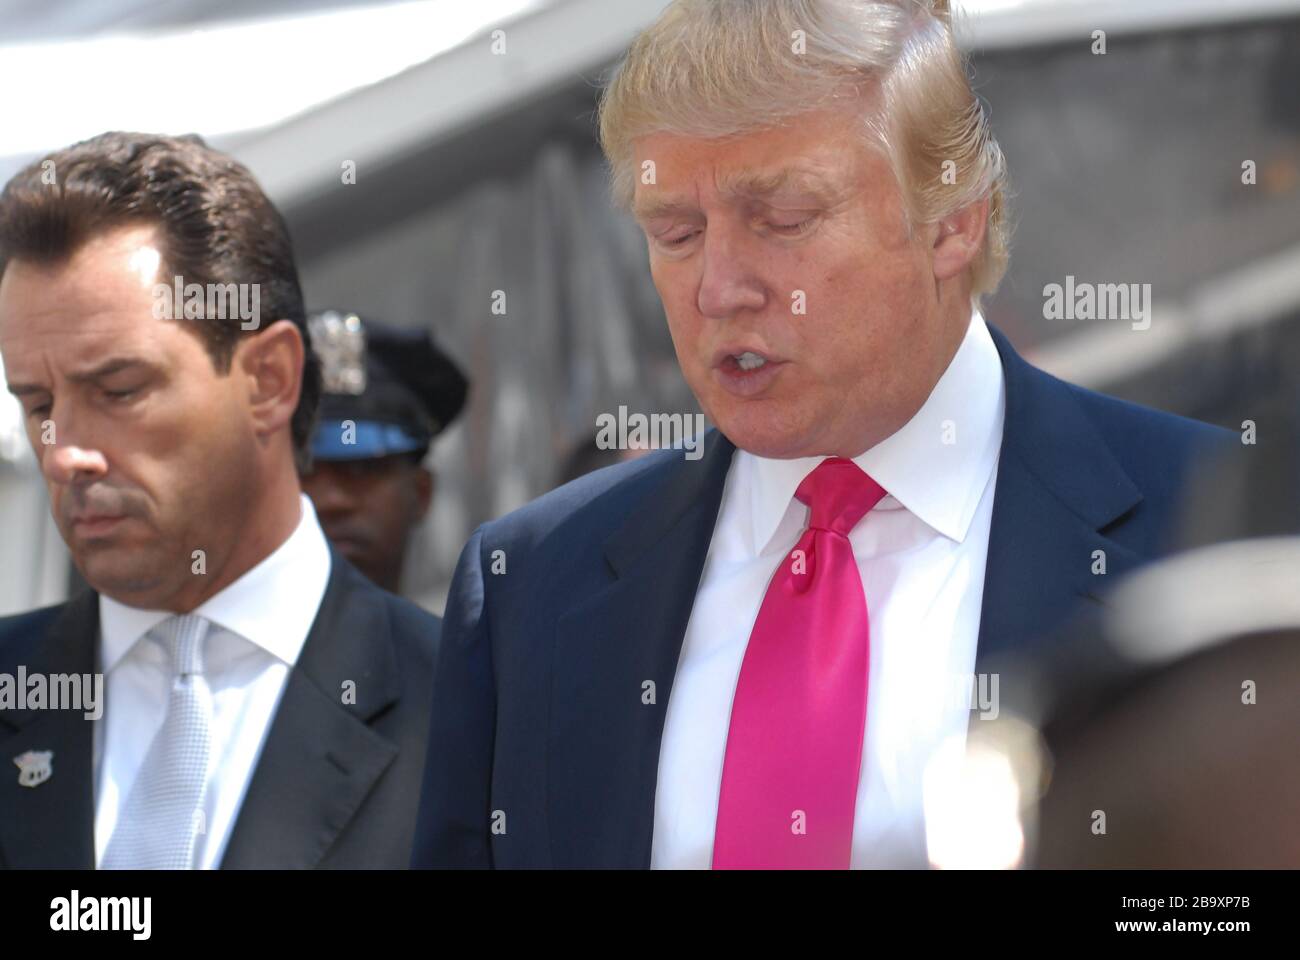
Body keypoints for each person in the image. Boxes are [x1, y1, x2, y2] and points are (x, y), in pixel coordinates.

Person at [412, 0, 1239, 869]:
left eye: (784, 218)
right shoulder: (531, 589)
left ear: (954, 221)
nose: (719, 288)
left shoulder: (1217, 524)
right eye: (677, 233)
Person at [0, 132, 439, 868]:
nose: (65, 451)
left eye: (119, 390)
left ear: (268, 380)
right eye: (37, 402)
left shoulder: (476, 708)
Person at [301, 310, 468, 594]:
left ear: (421, 492)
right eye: (302, 469)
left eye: (362, 469)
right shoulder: (207, 637)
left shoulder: (468, 640)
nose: (331, 500)